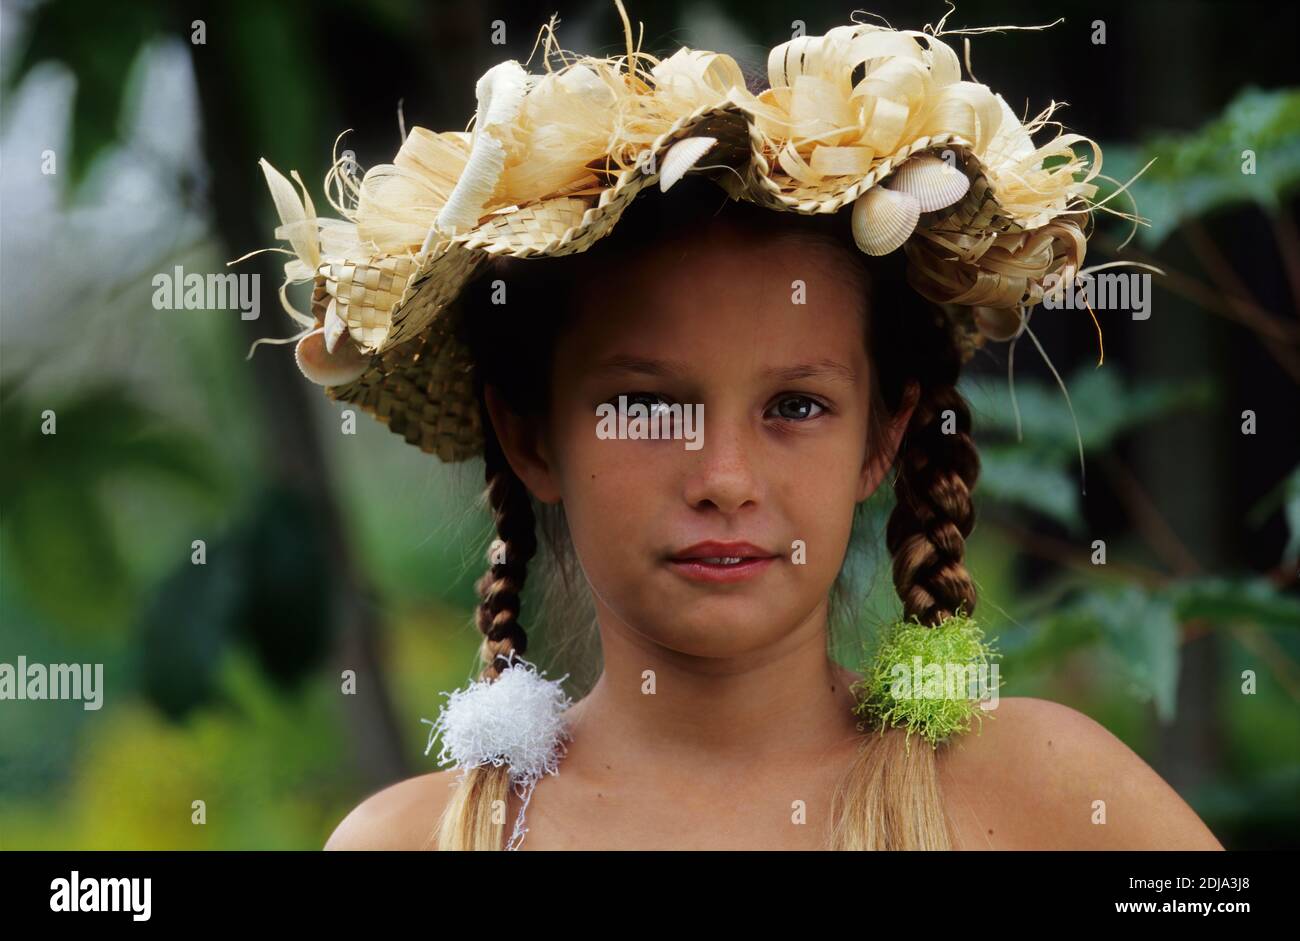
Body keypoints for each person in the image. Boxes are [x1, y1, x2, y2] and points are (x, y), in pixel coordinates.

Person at [253, 5, 1224, 850]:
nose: (724, 476)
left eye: (795, 406)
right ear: (532, 437)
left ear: (880, 438)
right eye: (646, 406)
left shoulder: (1042, 794)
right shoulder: (418, 838)